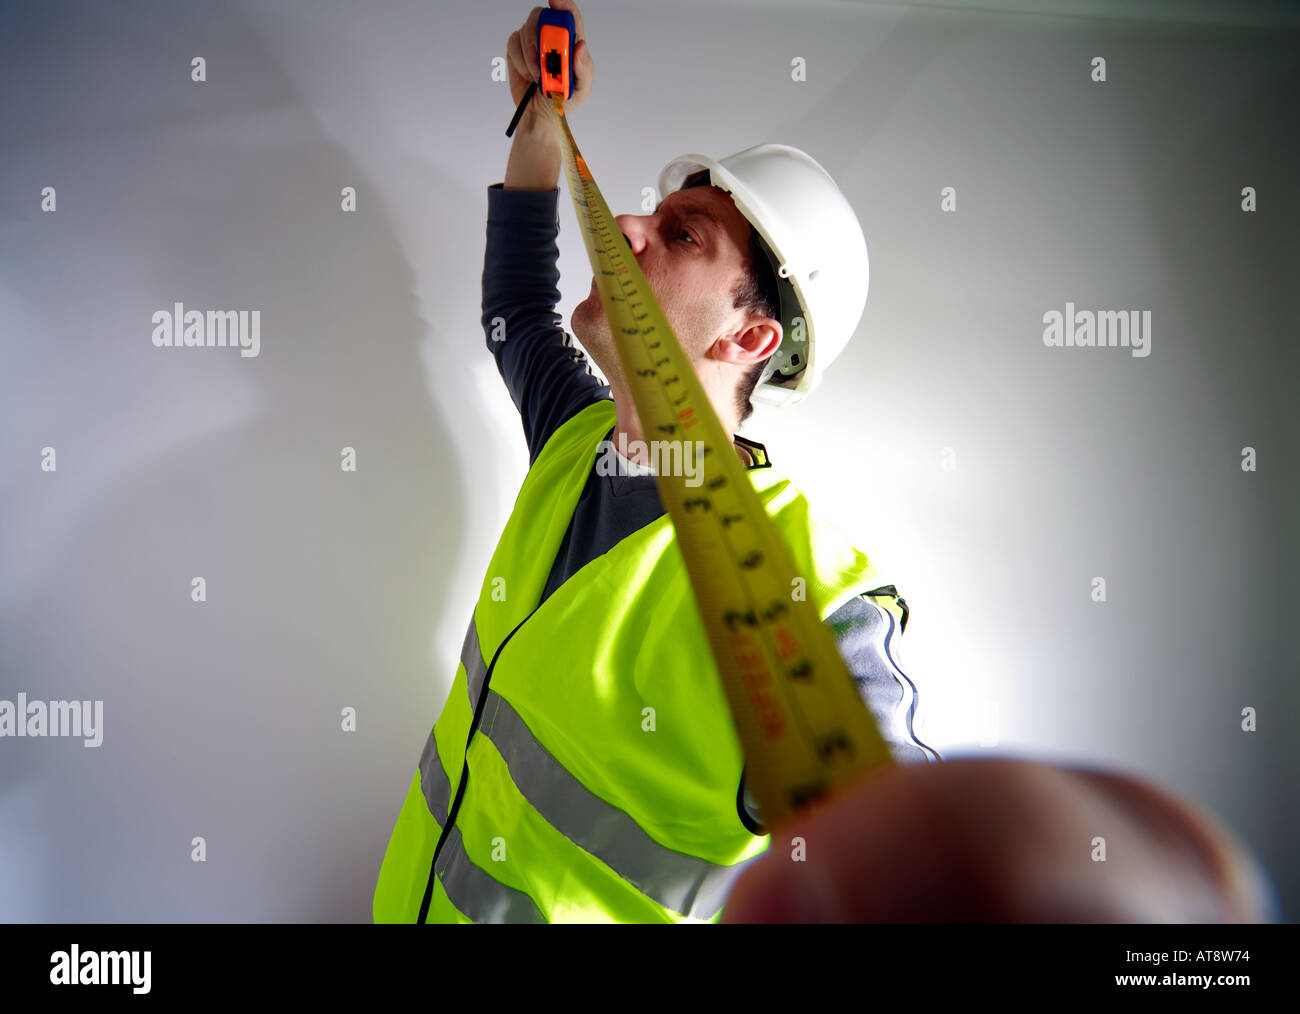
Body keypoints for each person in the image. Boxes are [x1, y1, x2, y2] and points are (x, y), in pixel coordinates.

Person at [372, 0, 1276, 924]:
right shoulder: (574, 438)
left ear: (750, 334)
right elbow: (519, 306)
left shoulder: (808, 598)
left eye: (682, 233)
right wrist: (538, 116)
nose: (631, 225)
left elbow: (894, 835)